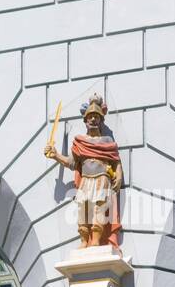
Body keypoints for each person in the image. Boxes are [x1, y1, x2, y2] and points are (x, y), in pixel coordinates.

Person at [45, 93, 123, 247]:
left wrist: (119, 175)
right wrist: (56, 156)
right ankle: (84, 239)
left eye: (96, 117)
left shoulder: (107, 141)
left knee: (99, 209)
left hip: (102, 179)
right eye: (90, 117)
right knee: (84, 209)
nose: (93, 119)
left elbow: (116, 161)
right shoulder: (80, 141)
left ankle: (95, 239)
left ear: (100, 120)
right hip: (86, 180)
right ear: (85, 120)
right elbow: (72, 163)